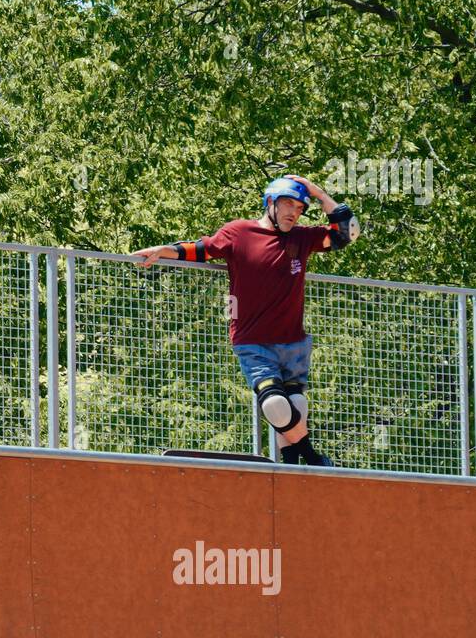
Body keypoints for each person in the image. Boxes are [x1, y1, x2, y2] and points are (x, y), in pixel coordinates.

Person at [132, 175, 360, 465]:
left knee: (297, 404)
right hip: (253, 342)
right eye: (287, 205)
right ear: (270, 203)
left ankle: (291, 464)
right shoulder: (239, 232)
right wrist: (163, 250)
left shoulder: (302, 238)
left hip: (293, 342)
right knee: (276, 404)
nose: (293, 213)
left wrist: (317, 192)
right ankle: (311, 455)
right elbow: (202, 250)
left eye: (300, 208)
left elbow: (347, 233)